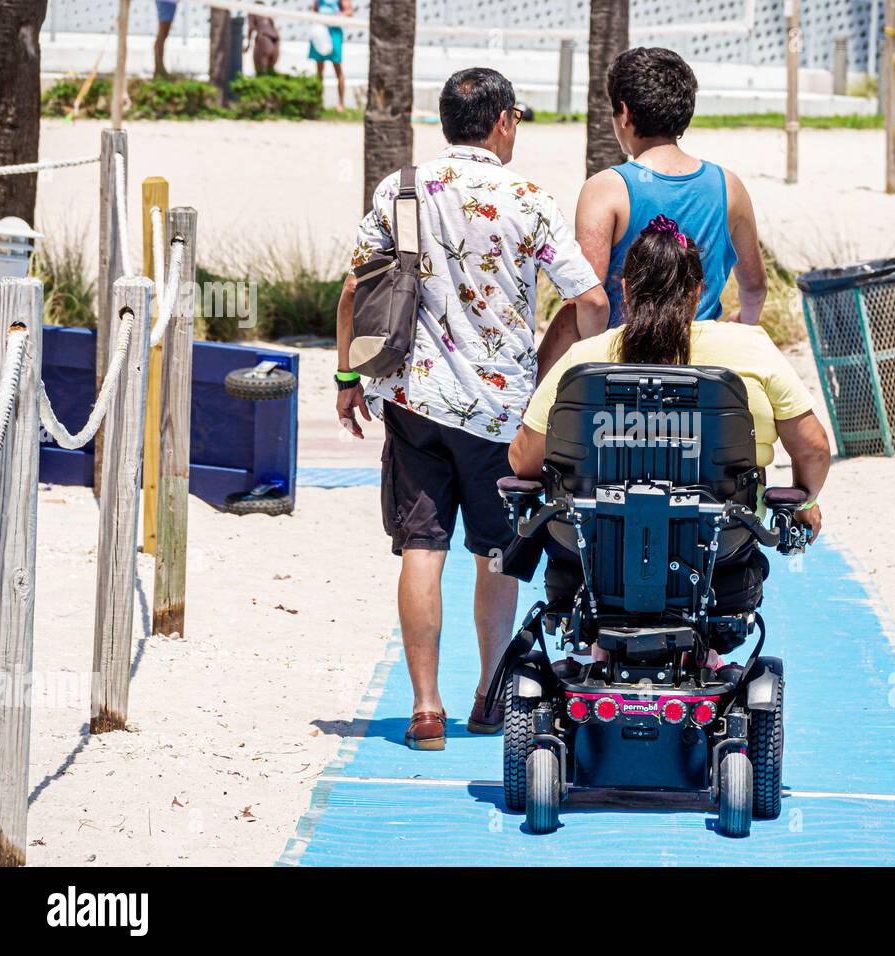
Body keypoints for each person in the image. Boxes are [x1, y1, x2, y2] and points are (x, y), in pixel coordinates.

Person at [335, 68, 609, 752]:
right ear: (503, 121)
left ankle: (426, 709)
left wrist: (347, 375)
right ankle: (489, 694)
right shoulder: (529, 199)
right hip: (501, 413)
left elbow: (352, 290)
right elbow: (593, 301)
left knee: (422, 546)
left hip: (414, 399)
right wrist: (555, 370)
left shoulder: (400, 190)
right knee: (495, 553)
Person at [513, 215, 829, 545]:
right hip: (722, 546)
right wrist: (804, 503)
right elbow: (815, 449)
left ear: (625, 289)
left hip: (594, 544)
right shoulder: (751, 349)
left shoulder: (582, 359)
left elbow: (523, 460)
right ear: (696, 292)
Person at [537, 47, 768, 380]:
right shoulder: (728, 186)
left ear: (625, 113)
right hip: (700, 369)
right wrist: (743, 327)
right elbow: (756, 287)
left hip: (622, 370)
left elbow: (590, 301)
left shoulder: (607, 189)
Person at [309, 0, 353, 110]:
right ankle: (317, 102)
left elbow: (349, 11)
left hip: (334, 30)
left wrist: (333, 17)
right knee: (319, 69)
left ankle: (341, 103)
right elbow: (315, 9)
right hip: (320, 30)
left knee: (337, 67)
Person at [154, 1, 178, 77]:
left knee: (164, 34)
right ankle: (159, 68)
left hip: (170, 3)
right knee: (162, 34)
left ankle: (159, 68)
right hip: (166, 2)